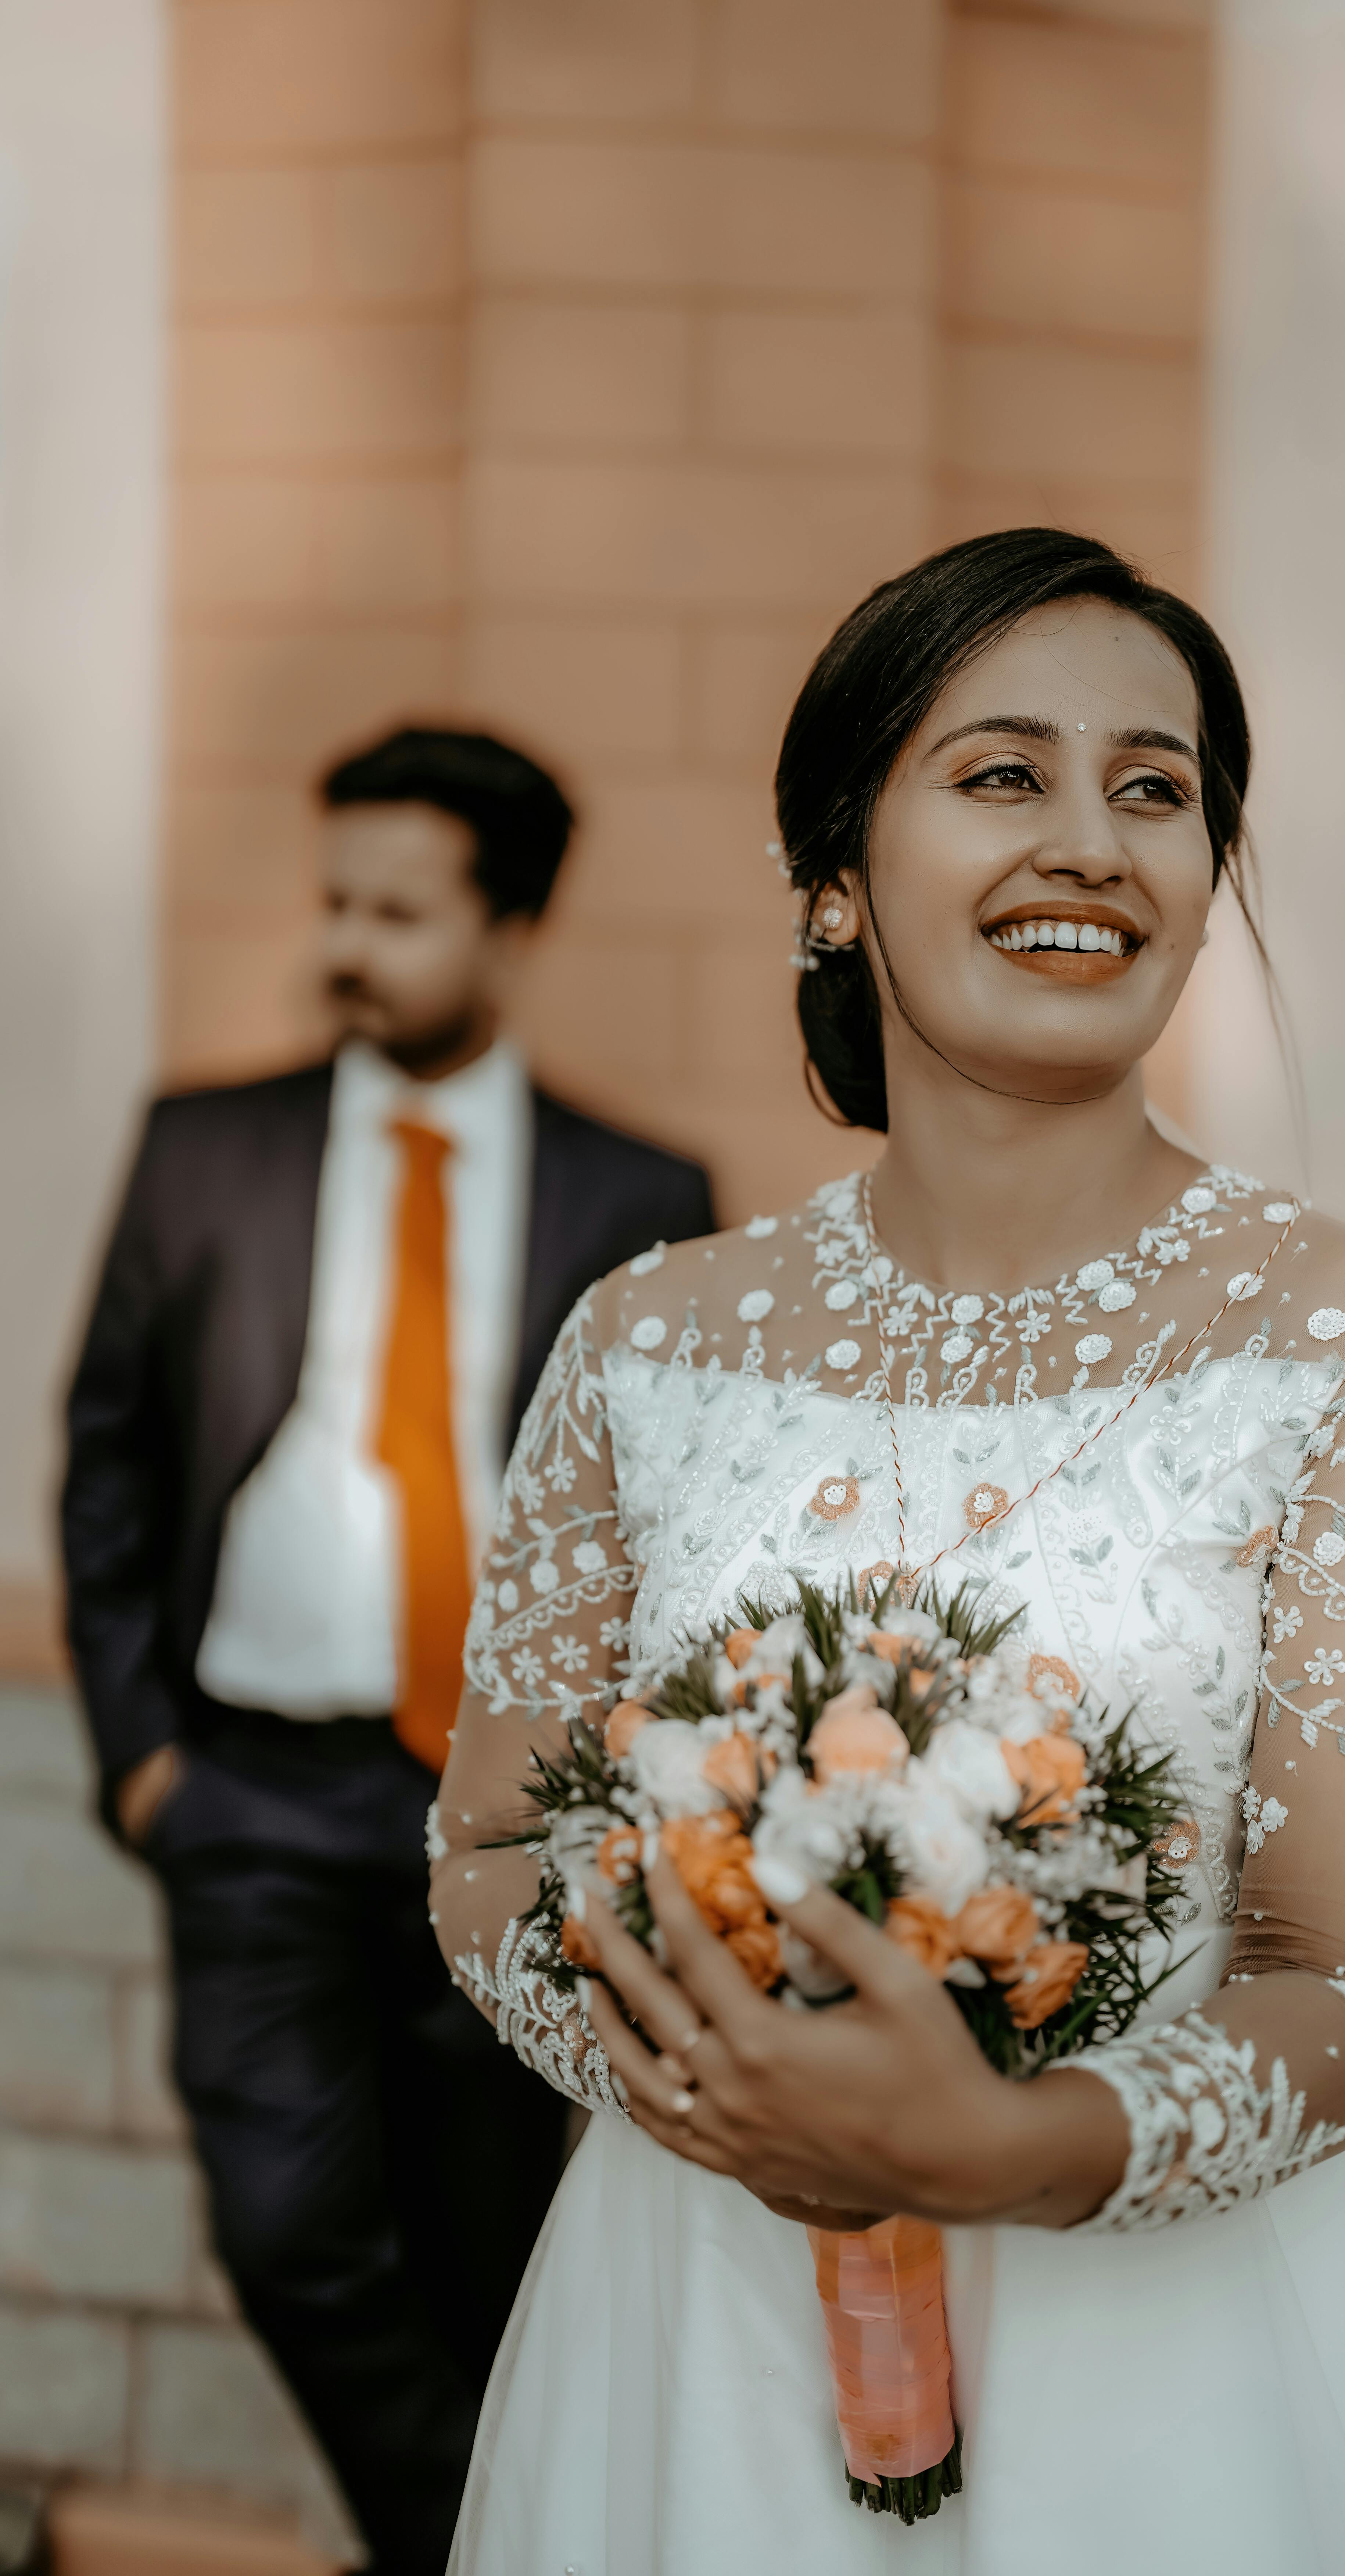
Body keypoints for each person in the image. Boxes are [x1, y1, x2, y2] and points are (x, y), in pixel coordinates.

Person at [432, 537, 1345, 2574]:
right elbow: (492, 1844)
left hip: (1228, 2371)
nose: (1096, 841)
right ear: (836, 875)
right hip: (719, 2316)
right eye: (1005, 774)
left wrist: (1018, 2144)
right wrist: (732, 2096)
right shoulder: (646, 1345)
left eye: (1159, 787)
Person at [61, 724, 714, 2576]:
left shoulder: (640, 1190)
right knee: (285, 2229)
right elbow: (106, 1459)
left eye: (400, 911)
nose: (349, 943)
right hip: (250, 1791)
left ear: (510, 926)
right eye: (335, 900)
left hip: (506, 1817)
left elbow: (685, 1520)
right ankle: (488, 2551)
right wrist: (140, 1757)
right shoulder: (204, 1148)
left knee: (485, 2252)